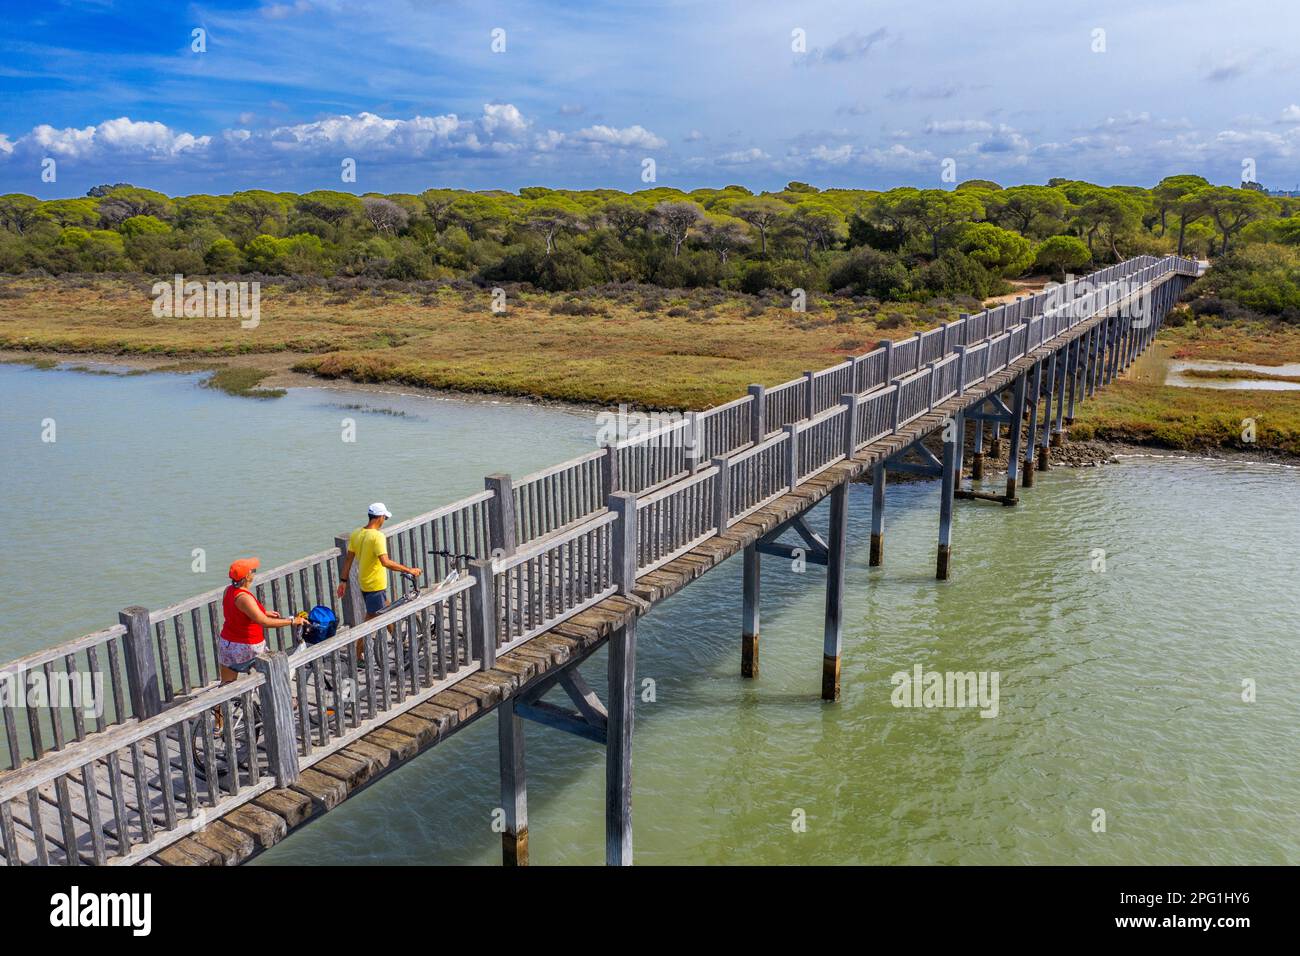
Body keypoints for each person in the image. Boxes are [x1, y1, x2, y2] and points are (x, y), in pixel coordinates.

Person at [337, 503, 423, 621]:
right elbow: (385, 562)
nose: (384, 521)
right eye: (385, 518)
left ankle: (397, 638)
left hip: (364, 582)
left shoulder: (356, 533)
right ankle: (359, 640)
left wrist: (343, 581)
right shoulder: (377, 537)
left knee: (386, 612)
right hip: (375, 584)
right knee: (371, 617)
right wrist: (409, 570)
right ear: (380, 517)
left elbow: (348, 560)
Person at [219, 557, 298, 683]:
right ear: (247, 577)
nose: (255, 573)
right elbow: (264, 622)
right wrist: (292, 622)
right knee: (274, 674)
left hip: (227, 644)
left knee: (226, 685)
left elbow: (237, 611)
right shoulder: (244, 597)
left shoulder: (228, 591)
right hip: (247, 645)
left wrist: (264, 612)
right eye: (253, 570)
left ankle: (223, 702)